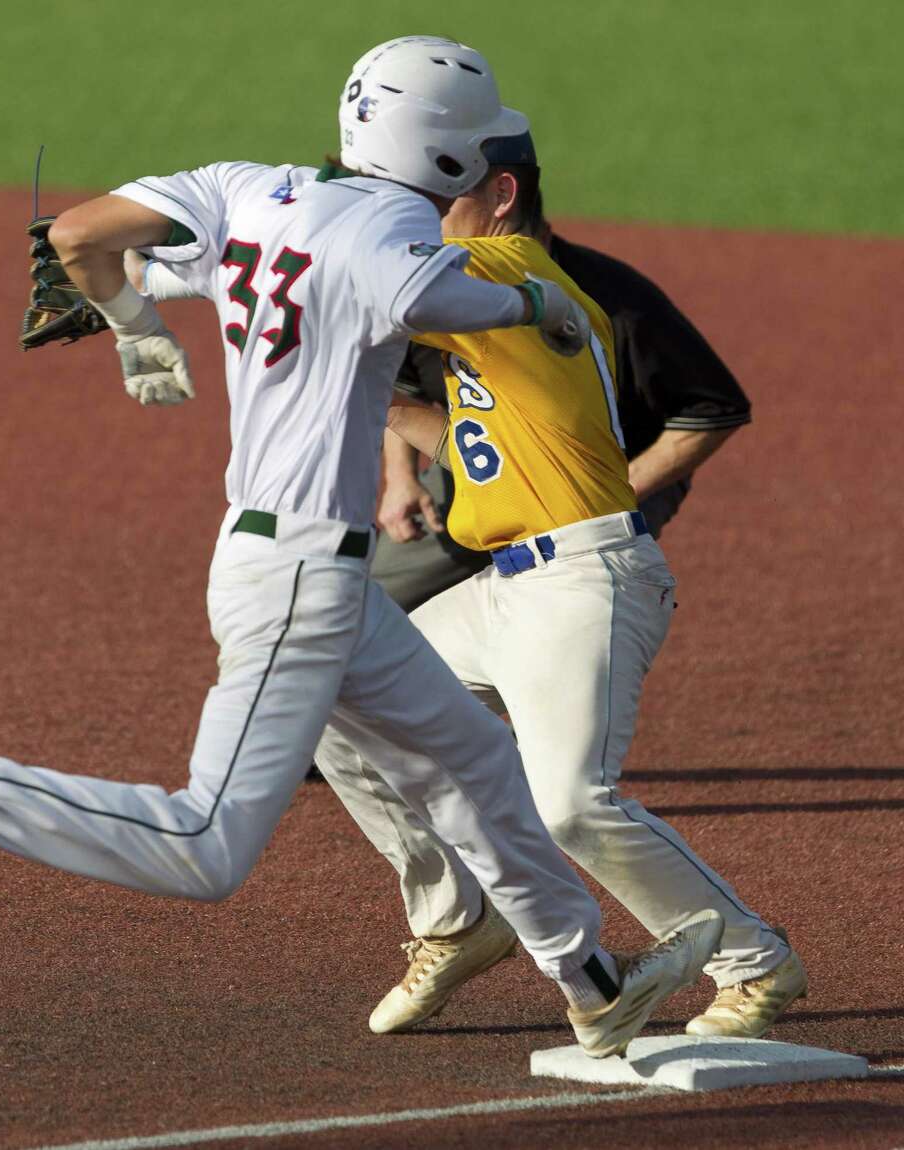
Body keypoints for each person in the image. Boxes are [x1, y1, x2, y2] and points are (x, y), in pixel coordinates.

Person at [0, 36, 725, 1060]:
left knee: (474, 764)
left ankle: (592, 979)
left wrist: (131, 321)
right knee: (208, 841)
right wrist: (541, 302)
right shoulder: (397, 247)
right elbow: (438, 298)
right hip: (298, 577)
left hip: (304, 571)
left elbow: (78, 235)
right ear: (449, 156)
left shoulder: (247, 189)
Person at [306, 120, 806, 1039]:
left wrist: (189, 251)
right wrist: (385, 403)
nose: (412, 211)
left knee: (572, 803)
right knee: (337, 689)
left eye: (434, 190)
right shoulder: (491, 320)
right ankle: (457, 922)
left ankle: (755, 961)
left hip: (586, 580)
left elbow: (354, 287)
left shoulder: (510, 278)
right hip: (506, 589)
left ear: (500, 198)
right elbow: (475, 443)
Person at [373, 200, 752, 612]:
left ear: (502, 197)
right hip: (483, 461)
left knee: (563, 615)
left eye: (449, 199)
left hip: (616, 474)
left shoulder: (611, 296)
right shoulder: (446, 292)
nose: (435, 212)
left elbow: (713, 406)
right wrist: (401, 478)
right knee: (371, 598)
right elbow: (404, 382)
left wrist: (609, 488)